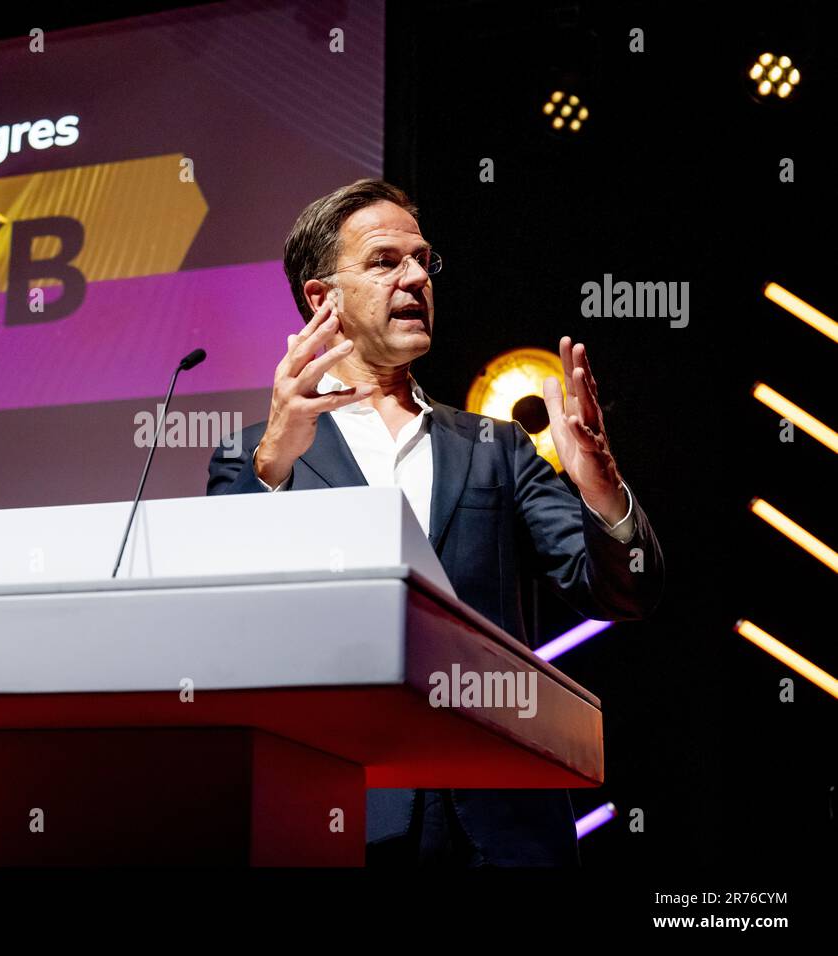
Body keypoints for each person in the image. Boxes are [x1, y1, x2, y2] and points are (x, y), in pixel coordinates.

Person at [207, 178, 665, 866]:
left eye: (423, 260)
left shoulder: (497, 446)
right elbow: (216, 616)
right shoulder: (261, 454)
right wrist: (272, 457)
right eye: (386, 261)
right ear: (322, 299)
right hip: (338, 817)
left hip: (503, 825)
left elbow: (622, 593)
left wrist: (602, 489)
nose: (417, 276)